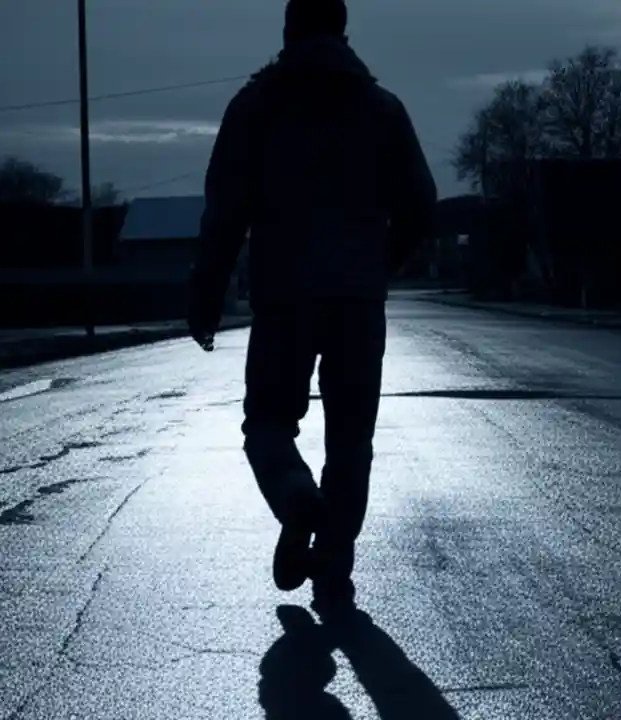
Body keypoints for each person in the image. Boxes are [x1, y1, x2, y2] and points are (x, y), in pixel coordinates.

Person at [187, 0, 437, 616]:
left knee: (268, 422)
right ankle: (333, 567)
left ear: (287, 32)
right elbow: (422, 204)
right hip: (356, 298)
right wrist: (382, 260)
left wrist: (206, 294)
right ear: (343, 31)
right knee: (351, 439)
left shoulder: (256, 108)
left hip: (284, 296)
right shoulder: (382, 109)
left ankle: (296, 495)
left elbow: (224, 211)